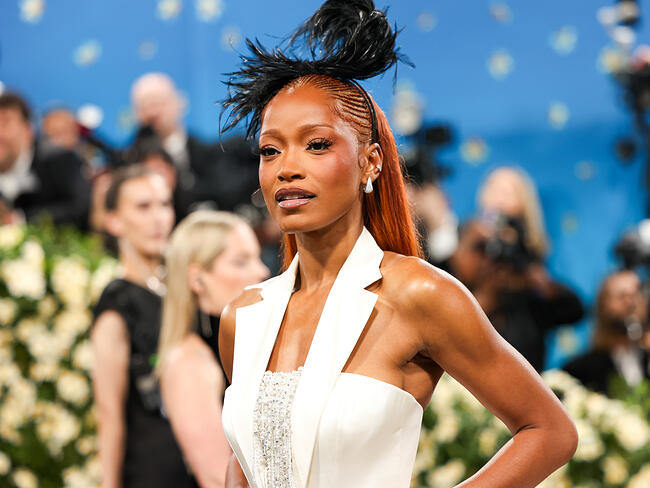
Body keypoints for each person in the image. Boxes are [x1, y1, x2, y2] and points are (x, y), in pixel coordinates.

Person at [217, 1, 578, 487]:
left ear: (370, 162)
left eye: (317, 144)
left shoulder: (418, 295)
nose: (287, 168)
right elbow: (245, 461)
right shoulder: (243, 317)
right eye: (270, 150)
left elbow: (549, 431)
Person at [90, 165, 195, 488]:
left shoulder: (187, 288)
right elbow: (109, 412)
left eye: (164, 204)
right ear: (114, 221)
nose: (158, 218)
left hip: (201, 459)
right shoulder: (117, 303)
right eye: (143, 207)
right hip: (153, 469)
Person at [156, 211, 268, 488]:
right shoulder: (189, 363)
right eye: (241, 262)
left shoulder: (244, 347)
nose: (262, 272)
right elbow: (217, 478)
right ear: (197, 279)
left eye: (257, 257)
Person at [449, 166, 584, 371]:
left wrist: (535, 281)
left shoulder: (530, 255)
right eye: (494, 189)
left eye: (508, 191)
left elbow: (573, 311)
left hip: (525, 355)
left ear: (524, 203)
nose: (499, 198)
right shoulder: (468, 241)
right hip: (471, 360)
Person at [0, 92, 90, 228]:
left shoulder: (57, 158)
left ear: (28, 131)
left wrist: (21, 219)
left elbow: (80, 207)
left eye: (5, 123)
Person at [563, 270, 650, 395]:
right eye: (622, 296)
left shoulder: (646, 359)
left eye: (635, 295)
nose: (631, 303)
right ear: (603, 305)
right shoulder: (580, 370)